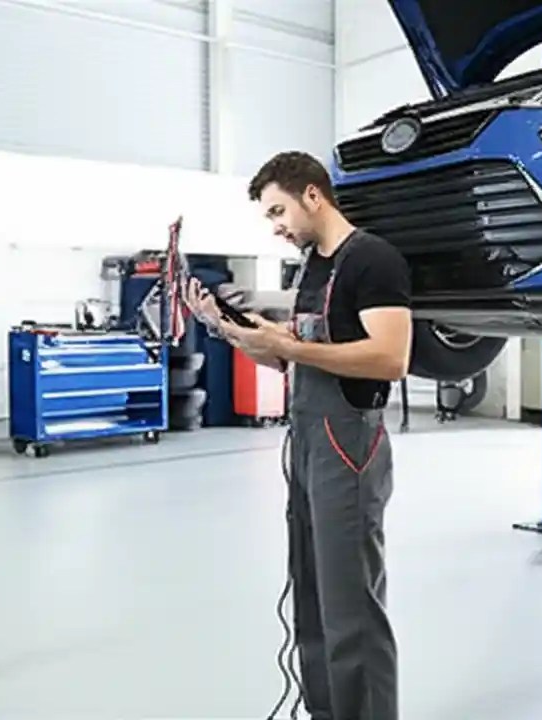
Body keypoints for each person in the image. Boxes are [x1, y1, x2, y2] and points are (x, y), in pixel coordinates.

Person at [183, 150, 411, 720]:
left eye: (278, 211)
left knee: (351, 605)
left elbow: (390, 357)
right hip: (307, 440)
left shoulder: (373, 260)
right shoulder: (313, 266)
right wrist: (229, 331)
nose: (277, 225)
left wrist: (288, 346)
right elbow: (296, 352)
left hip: (349, 445)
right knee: (311, 596)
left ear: (313, 195)